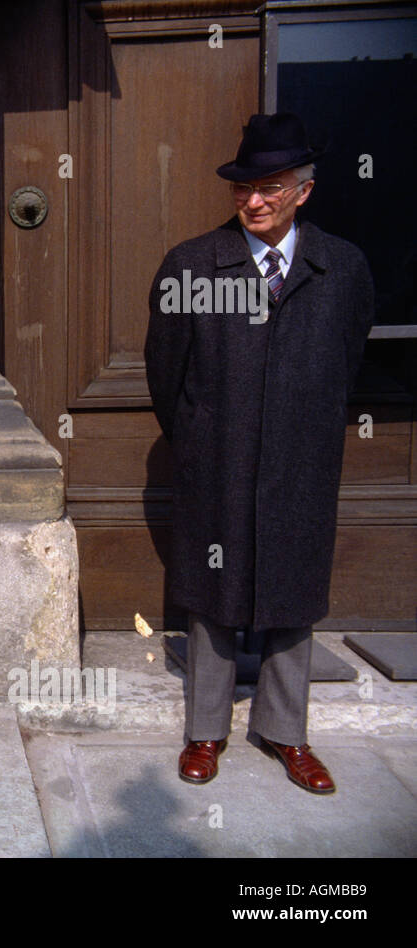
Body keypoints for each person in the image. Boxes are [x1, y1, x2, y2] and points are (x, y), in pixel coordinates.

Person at [145, 113, 374, 794]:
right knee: (211, 589)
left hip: (303, 459)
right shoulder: (190, 265)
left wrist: (300, 427)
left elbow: (347, 363)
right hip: (216, 456)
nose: (253, 202)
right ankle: (205, 731)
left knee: (293, 588)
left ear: (303, 191)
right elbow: (167, 374)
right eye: (243, 189)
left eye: (270, 189)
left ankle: (285, 731)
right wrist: (207, 435)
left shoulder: (343, 268)